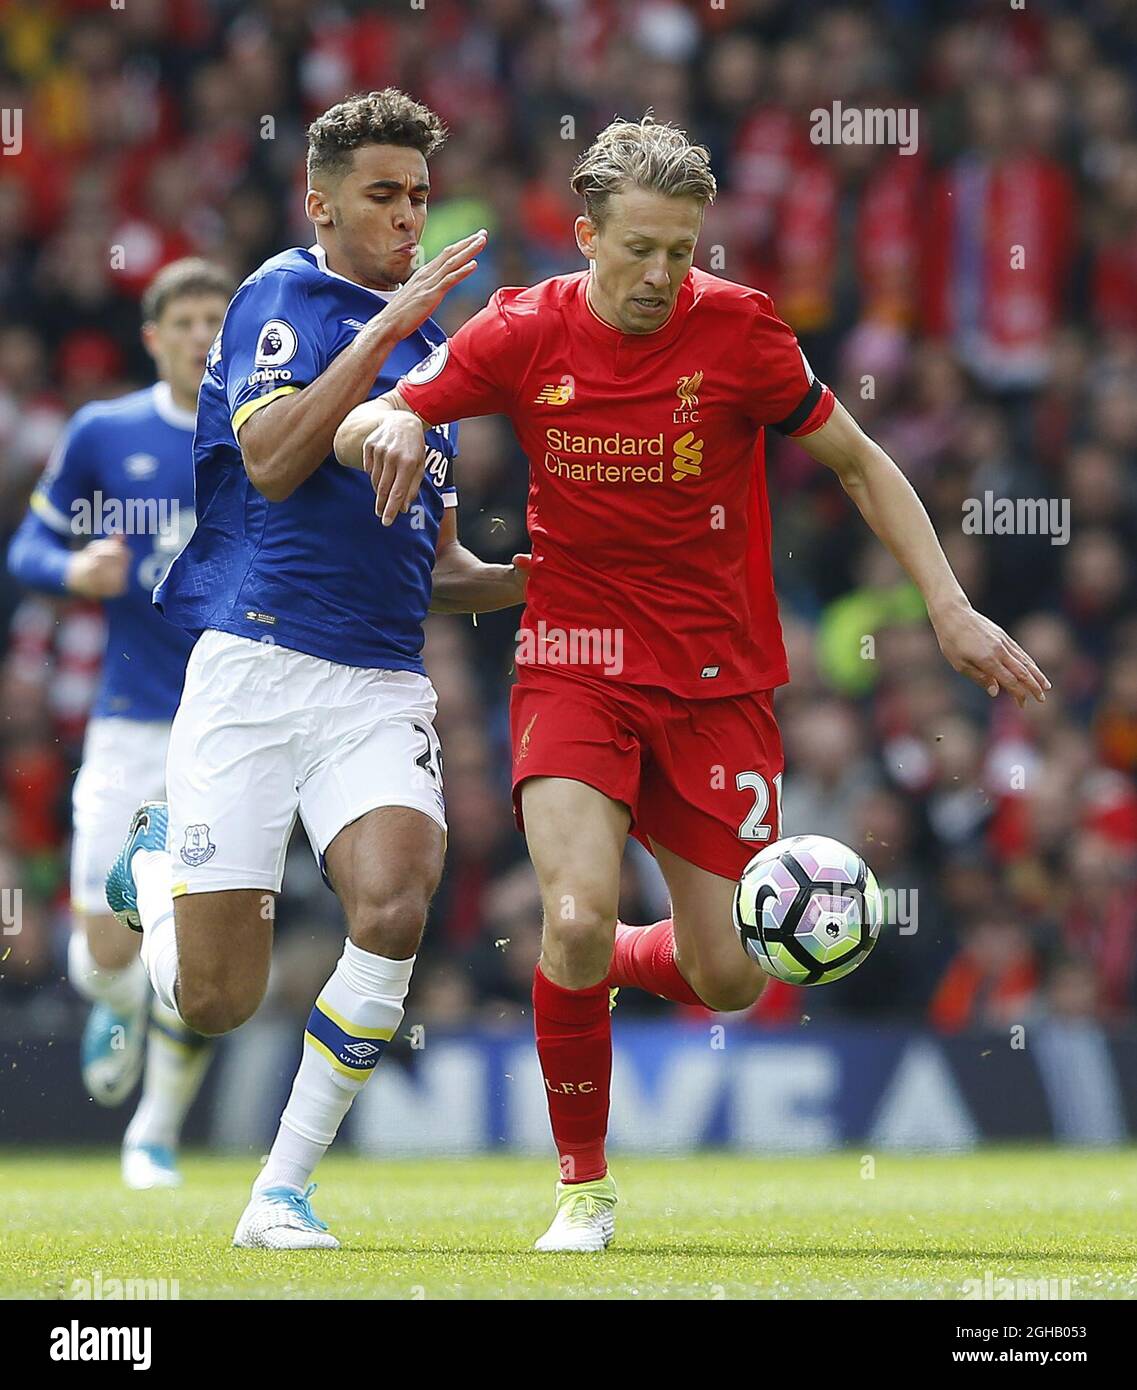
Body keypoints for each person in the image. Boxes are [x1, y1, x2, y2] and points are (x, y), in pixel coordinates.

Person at [335, 114, 1051, 1251]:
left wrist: (950, 606)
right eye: (641, 250)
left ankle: (604, 957)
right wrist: (382, 426)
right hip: (573, 666)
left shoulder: (742, 333)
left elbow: (860, 464)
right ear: (586, 236)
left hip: (718, 685)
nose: (666, 275)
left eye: (684, 249)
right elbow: (387, 405)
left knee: (729, 977)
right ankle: (584, 1185)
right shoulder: (521, 330)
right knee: (567, 911)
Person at [105, 90, 526, 1248]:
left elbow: (433, 567)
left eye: (420, 198)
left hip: (378, 682)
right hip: (254, 667)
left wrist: (538, 576)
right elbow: (276, 459)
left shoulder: (431, 354)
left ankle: (279, 1189)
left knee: (396, 899)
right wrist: (390, 330)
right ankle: (155, 882)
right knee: (216, 999)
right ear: (322, 199)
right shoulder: (279, 299)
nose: (407, 217)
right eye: (384, 195)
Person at [7, 259, 230, 1189]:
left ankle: (155, 1133)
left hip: (230, 725)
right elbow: (26, 547)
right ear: (153, 336)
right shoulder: (106, 433)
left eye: (216, 319)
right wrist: (75, 574)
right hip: (130, 719)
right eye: (182, 321)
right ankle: (114, 997)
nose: (198, 335)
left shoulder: (260, 431)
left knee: (207, 934)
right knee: (106, 947)